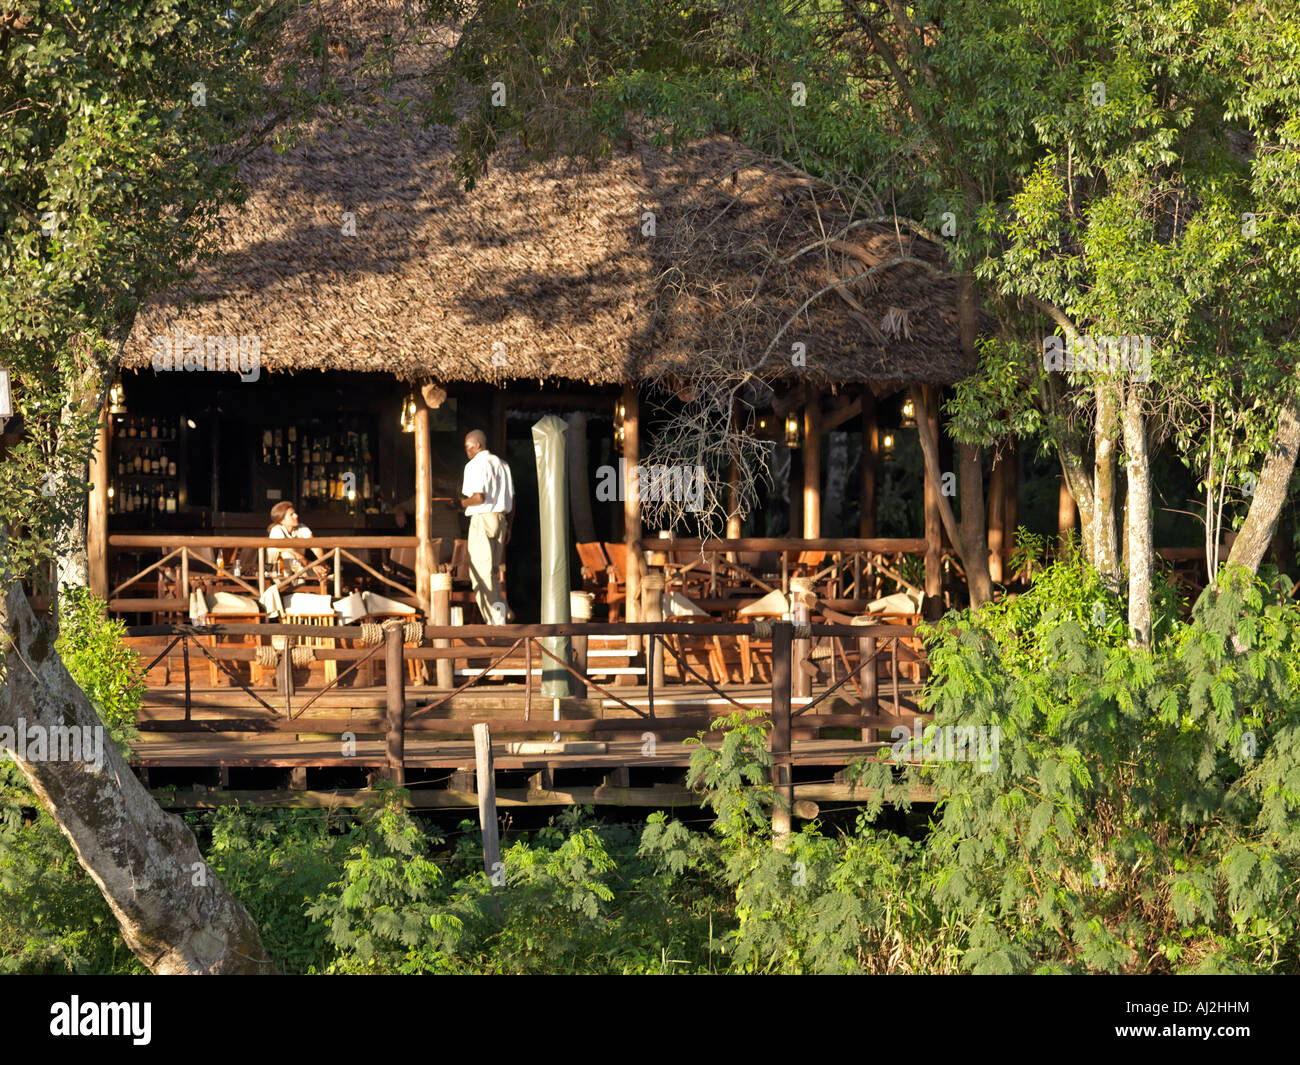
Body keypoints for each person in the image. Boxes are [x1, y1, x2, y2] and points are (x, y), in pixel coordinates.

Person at [458, 429, 514, 623]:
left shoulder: (475, 465)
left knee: (480, 573)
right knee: (492, 571)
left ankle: (496, 619)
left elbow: (478, 497)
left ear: (478, 445)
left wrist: (459, 504)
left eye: (468, 447)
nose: (467, 452)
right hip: (500, 519)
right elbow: (512, 500)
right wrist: (509, 527)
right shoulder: (503, 465)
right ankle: (502, 612)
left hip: (482, 518)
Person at [267, 500, 327, 581]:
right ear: (282, 520)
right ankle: (287, 583)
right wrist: (307, 562)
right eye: (291, 515)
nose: (296, 516)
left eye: (295, 513)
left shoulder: (301, 527)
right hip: (278, 568)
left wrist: (322, 563)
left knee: (320, 570)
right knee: (288, 556)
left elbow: (315, 546)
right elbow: (288, 551)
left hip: (300, 565)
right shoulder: (276, 530)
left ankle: (302, 583)